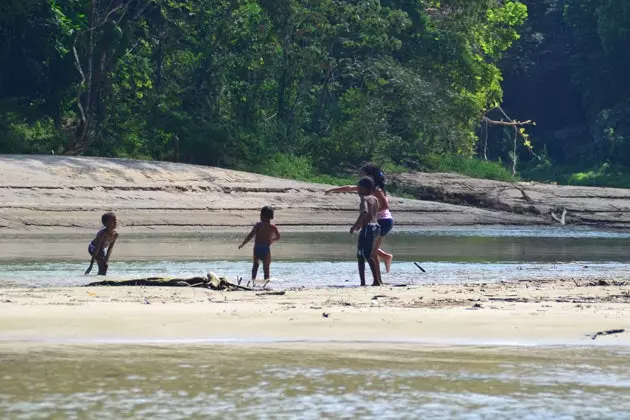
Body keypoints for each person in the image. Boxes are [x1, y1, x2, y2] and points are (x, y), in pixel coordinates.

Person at [325, 164, 394, 272]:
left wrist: (370, 214)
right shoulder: (368, 187)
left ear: (370, 175)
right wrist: (333, 189)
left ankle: (378, 277)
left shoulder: (377, 189)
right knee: (371, 248)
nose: (361, 176)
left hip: (383, 221)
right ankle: (385, 258)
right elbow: (349, 188)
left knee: (371, 251)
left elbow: (385, 206)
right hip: (380, 221)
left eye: (363, 174)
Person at [350, 177, 382, 287]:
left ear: (364, 188)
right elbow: (373, 214)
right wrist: (361, 224)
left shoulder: (364, 198)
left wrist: (355, 226)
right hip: (376, 227)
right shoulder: (375, 199)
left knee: (364, 254)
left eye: (358, 188)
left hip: (368, 228)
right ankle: (368, 281)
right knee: (363, 254)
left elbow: (364, 212)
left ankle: (374, 281)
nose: (357, 190)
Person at [239, 206, 281, 288]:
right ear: (271, 216)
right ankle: (266, 283)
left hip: (257, 249)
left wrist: (243, 244)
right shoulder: (272, 227)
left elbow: (250, 235)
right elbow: (278, 237)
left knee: (255, 266)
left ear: (261, 216)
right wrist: (272, 239)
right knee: (266, 269)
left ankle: (253, 281)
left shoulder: (258, 225)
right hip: (266, 249)